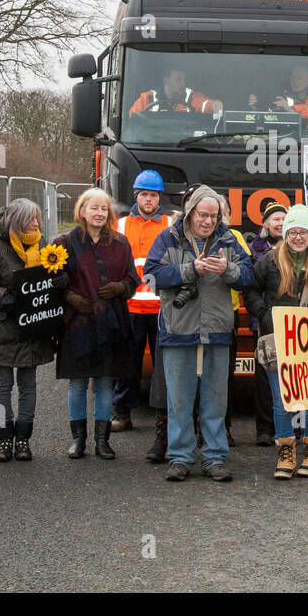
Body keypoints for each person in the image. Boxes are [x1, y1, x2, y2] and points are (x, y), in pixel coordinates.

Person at [144, 184, 254, 482]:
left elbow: (249, 276)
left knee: (215, 400)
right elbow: (151, 277)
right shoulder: (167, 237)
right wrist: (189, 269)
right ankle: (180, 458)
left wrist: (227, 269)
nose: (208, 221)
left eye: (214, 216)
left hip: (217, 330)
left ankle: (215, 458)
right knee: (179, 398)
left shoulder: (230, 239)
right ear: (191, 212)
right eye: (203, 215)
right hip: (179, 328)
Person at [245, 204, 308, 479]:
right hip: (277, 339)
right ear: (285, 233)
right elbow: (251, 290)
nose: (298, 237)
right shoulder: (269, 260)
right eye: (293, 232)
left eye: (303, 232)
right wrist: (263, 314)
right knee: (281, 400)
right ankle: (285, 451)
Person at [55, 188, 140, 460]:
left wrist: (120, 287)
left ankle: (102, 441)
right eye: (94, 208)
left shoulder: (120, 243)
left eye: (104, 209)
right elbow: (55, 281)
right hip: (77, 323)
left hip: (111, 322)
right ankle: (78, 440)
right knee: (77, 383)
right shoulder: (67, 242)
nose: (99, 213)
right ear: (82, 211)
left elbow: (133, 279)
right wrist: (70, 296)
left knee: (105, 383)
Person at [0, 200, 59, 462]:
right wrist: (2, 297)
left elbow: (51, 280)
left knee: (28, 385)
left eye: (37, 218)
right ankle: (3, 438)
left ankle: (23, 437)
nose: (36, 223)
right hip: (2, 327)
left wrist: (58, 281)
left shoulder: (44, 247)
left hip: (32, 326)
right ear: (17, 221)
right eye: (31, 219)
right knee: (2, 385)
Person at [112, 170, 173, 435]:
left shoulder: (171, 224)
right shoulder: (121, 225)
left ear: (159, 197)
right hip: (130, 307)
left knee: (163, 366)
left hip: (162, 308)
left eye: (153, 195)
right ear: (136, 196)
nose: (149, 200)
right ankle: (122, 412)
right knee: (128, 363)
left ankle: (165, 416)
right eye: (144, 195)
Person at [247, 201, 289, 446]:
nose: (280, 223)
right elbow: (252, 287)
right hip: (264, 323)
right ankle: (264, 428)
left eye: (284, 218)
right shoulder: (256, 249)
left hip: (294, 323)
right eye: (275, 219)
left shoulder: (299, 247)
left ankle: (294, 425)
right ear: (265, 224)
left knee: (292, 375)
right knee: (264, 376)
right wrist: (262, 313)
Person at [261, 64, 308, 128]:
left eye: (299, 78)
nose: (295, 81)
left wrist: (291, 110)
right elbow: (271, 118)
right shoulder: (285, 95)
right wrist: (256, 108)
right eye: (292, 77)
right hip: (292, 142)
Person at [128, 68, 224, 115]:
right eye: (178, 79)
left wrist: (214, 105)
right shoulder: (147, 99)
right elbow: (132, 121)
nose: (183, 83)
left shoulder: (191, 97)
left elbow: (204, 104)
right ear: (166, 81)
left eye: (184, 79)